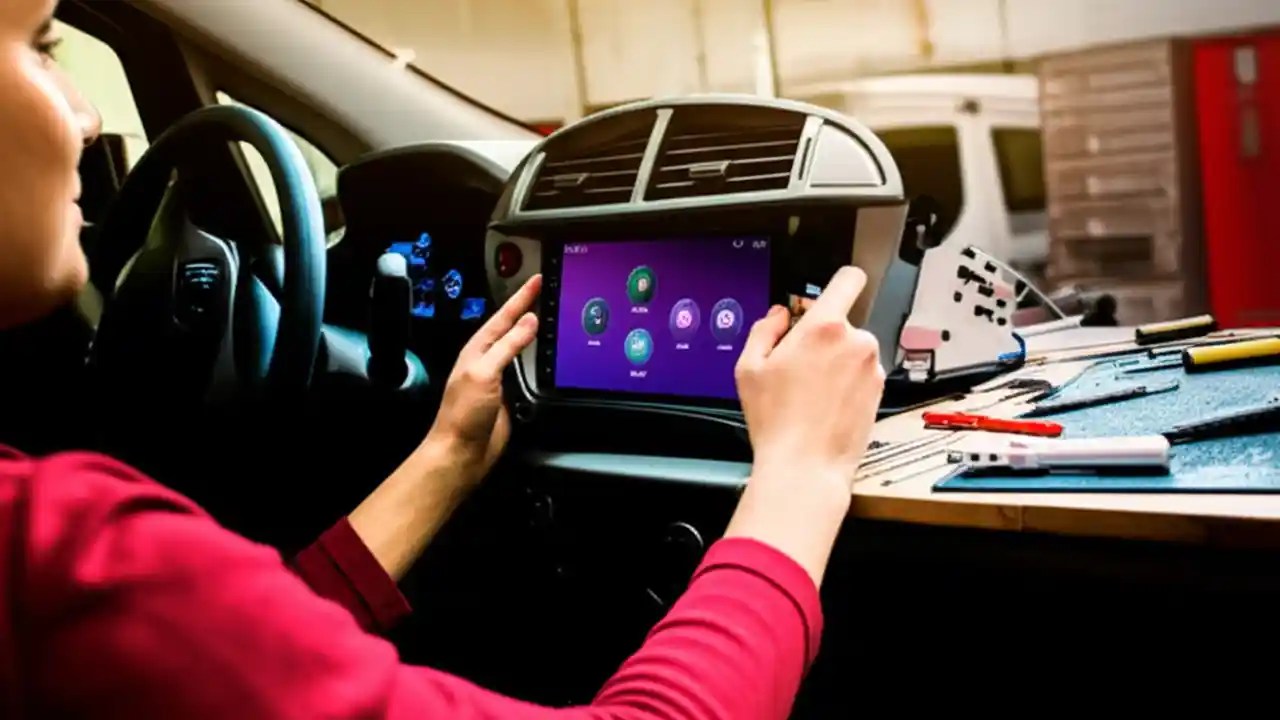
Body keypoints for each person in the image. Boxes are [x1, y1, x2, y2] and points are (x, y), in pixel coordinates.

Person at [0, 0, 887, 717]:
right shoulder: (56, 560)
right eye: (43, 48)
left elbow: (224, 664)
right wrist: (799, 476)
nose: (86, 117)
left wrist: (446, 457)